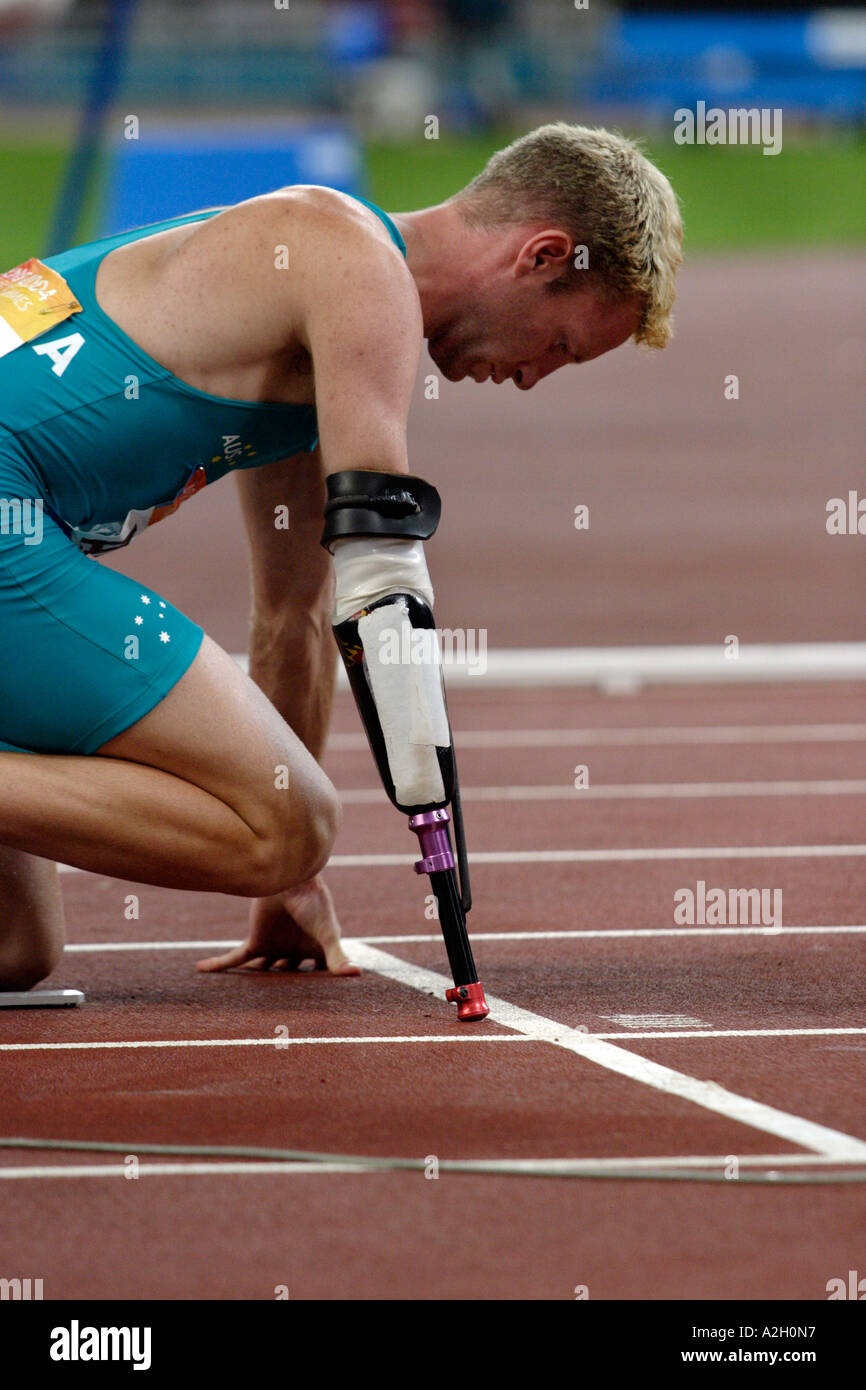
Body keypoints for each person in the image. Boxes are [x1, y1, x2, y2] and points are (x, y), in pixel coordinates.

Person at [0, 123, 682, 991]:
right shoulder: (356, 267)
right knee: (288, 821)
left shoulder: (312, 286)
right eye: (560, 345)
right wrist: (378, 823)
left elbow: (297, 614)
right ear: (542, 255)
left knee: (17, 948)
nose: (533, 378)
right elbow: (384, 586)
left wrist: (289, 884)